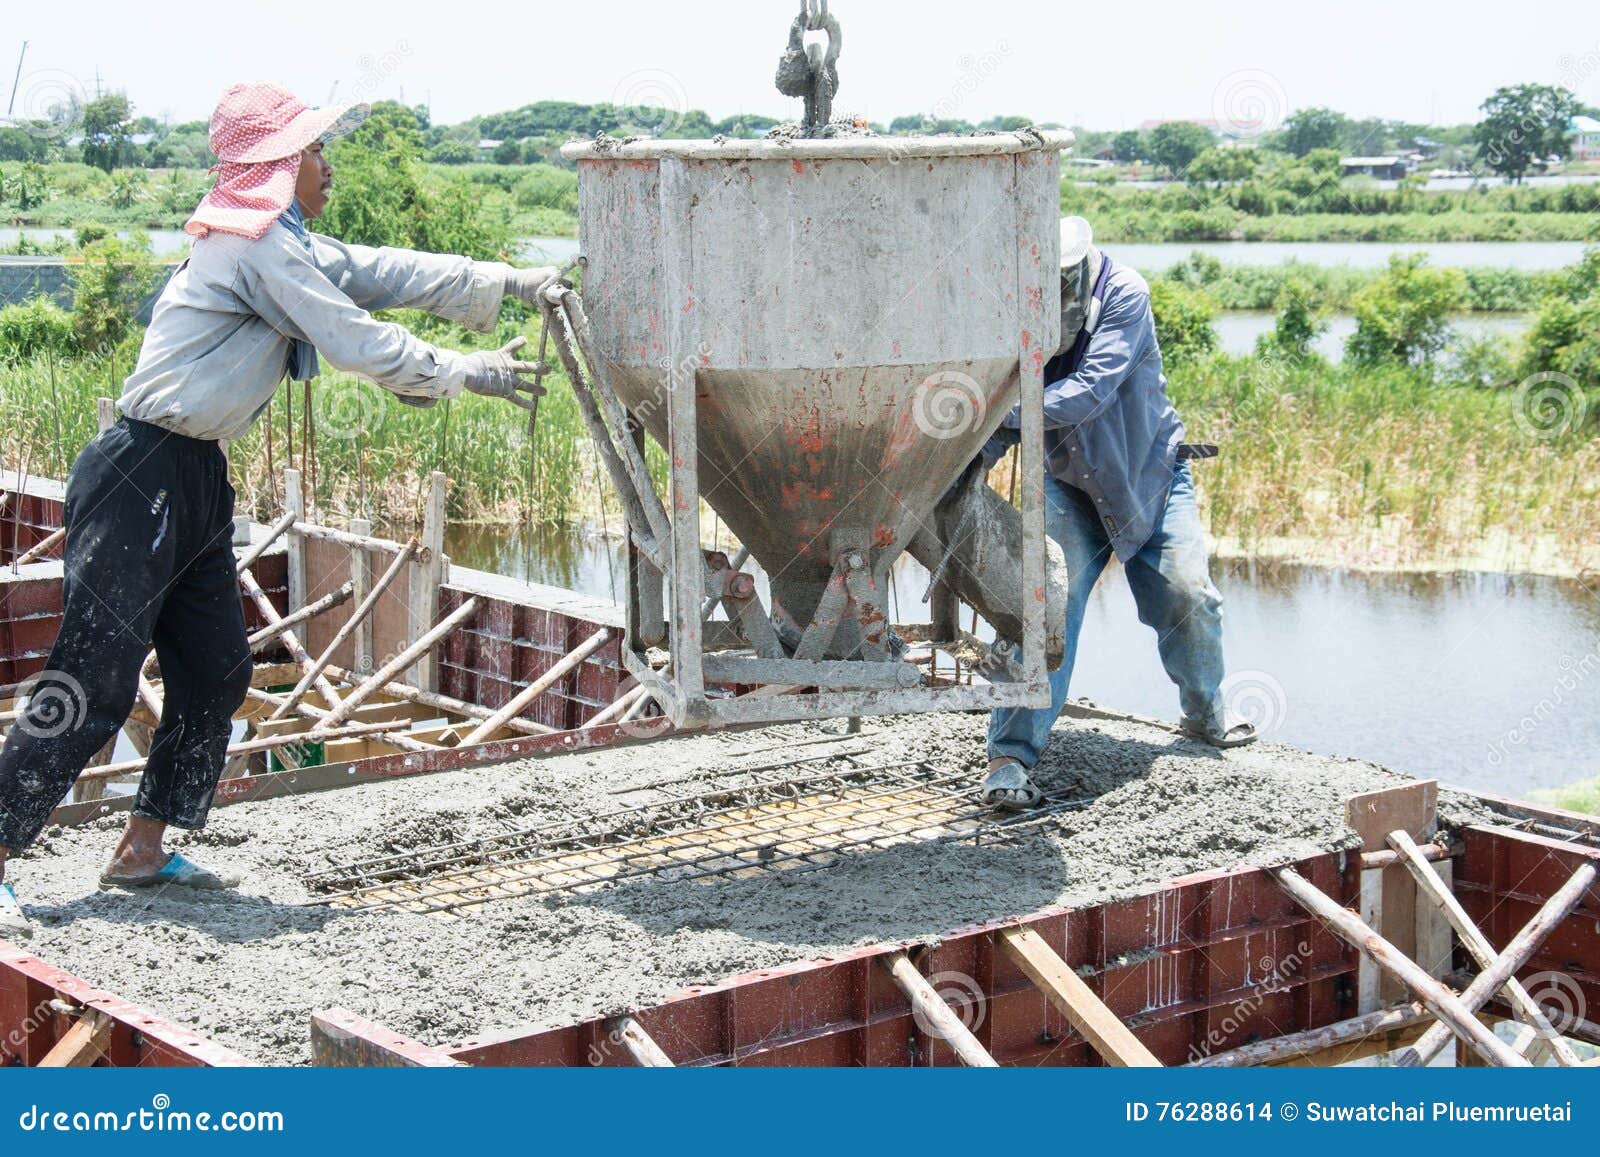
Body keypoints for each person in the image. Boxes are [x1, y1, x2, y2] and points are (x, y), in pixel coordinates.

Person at [0, 82, 558, 939]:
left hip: (194, 478)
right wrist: (466, 371)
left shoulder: (281, 245)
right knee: (96, 677)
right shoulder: (250, 249)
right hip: (137, 474)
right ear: (278, 165)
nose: (326, 167)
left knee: (219, 670)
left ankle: (144, 846)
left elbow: (383, 271)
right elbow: (354, 336)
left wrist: (508, 281)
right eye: (313, 152)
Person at [980, 216, 1256, 812]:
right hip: (1069, 487)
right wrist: (968, 463)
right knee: (1046, 609)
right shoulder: (1019, 315)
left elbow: (1089, 390)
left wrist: (998, 416)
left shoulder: (1124, 294)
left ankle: (1206, 711)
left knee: (1187, 595)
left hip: (1149, 477)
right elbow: (1002, 399)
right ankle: (1009, 757)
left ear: (1075, 275)